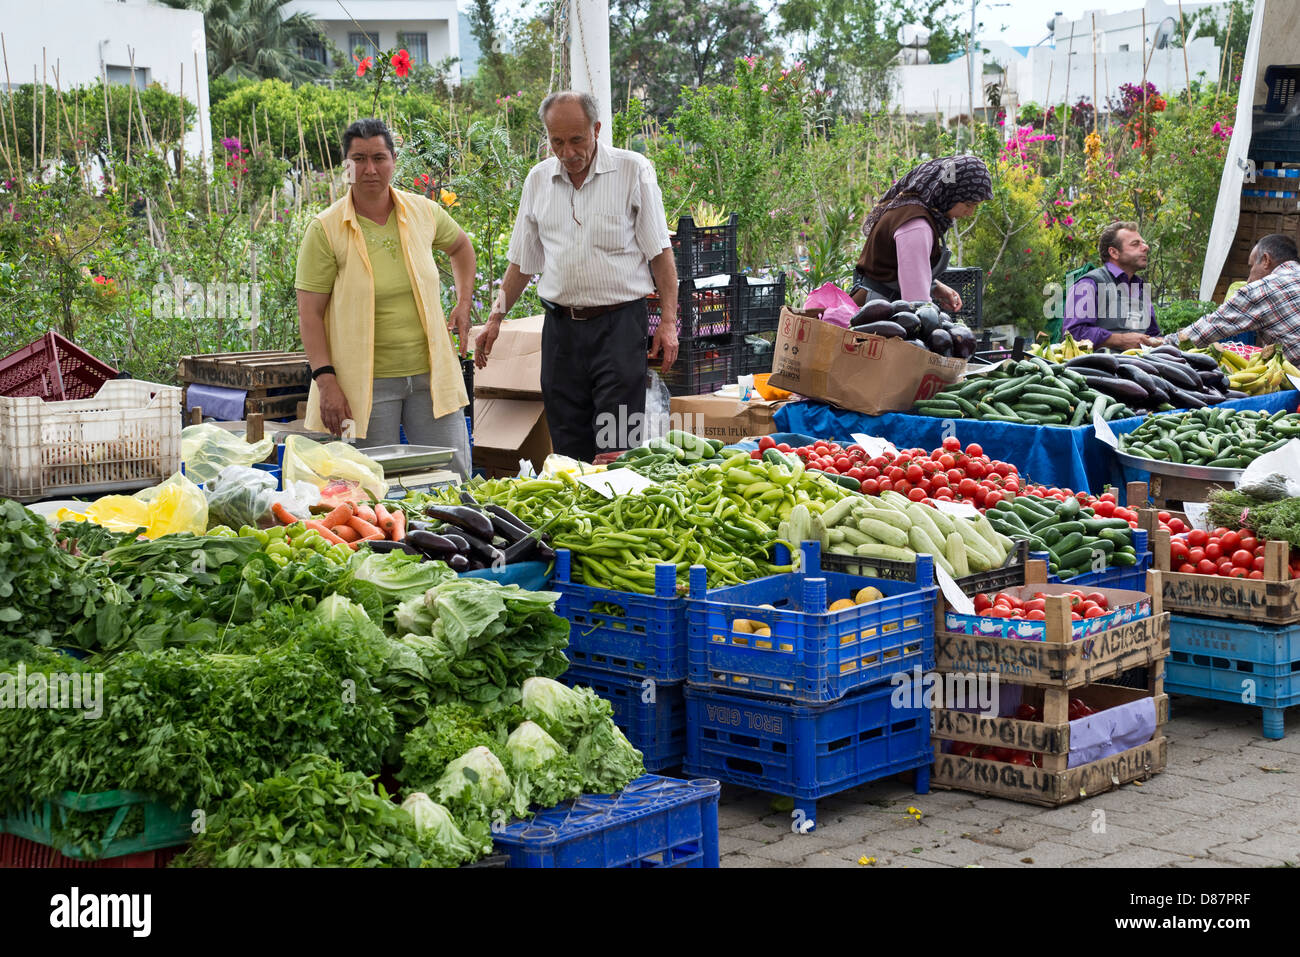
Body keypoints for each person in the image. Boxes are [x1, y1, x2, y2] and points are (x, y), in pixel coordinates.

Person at [474, 91, 679, 462]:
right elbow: (521, 263)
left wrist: (668, 322)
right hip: (561, 333)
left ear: (596, 129)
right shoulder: (538, 180)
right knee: (567, 447)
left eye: (576, 140)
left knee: (617, 444)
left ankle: (618, 511)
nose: (567, 152)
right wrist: (494, 319)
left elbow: (660, 254)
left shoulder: (633, 170)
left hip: (619, 328)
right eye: (557, 142)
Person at [295, 118, 476, 478]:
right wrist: (326, 381)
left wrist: (464, 303)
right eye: (358, 159)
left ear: (394, 159)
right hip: (364, 386)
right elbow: (310, 314)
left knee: (452, 477)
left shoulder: (423, 212)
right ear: (345, 166)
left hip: (431, 376)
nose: (370, 169)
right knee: (368, 485)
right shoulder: (326, 229)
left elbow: (461, 246)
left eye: (379, 157)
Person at [850, 155, 993, 311]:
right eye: (968, 204)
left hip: (880, 306)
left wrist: (936, 287)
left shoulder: (912, 210)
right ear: (951, 192)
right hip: (876, 313)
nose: (970, 212)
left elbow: (897, 268)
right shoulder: (916, 225)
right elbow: (916, 302)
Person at [1165, 234, 1300, 362]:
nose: (1248, 280)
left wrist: (1165, 342)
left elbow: (1212, 326)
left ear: (1266, 260)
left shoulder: (1263, 289)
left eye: (1251, 267)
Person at [1062, 222, 1163, 351]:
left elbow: (1153, 334)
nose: (1146, 247)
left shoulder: (1140, 289)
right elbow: (1072, 334)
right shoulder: (1089, 284)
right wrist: (1119, 340)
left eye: (1143, 243)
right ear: (1114, 252)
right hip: (1097, 369)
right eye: (1135, 244)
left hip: (1141, 368)